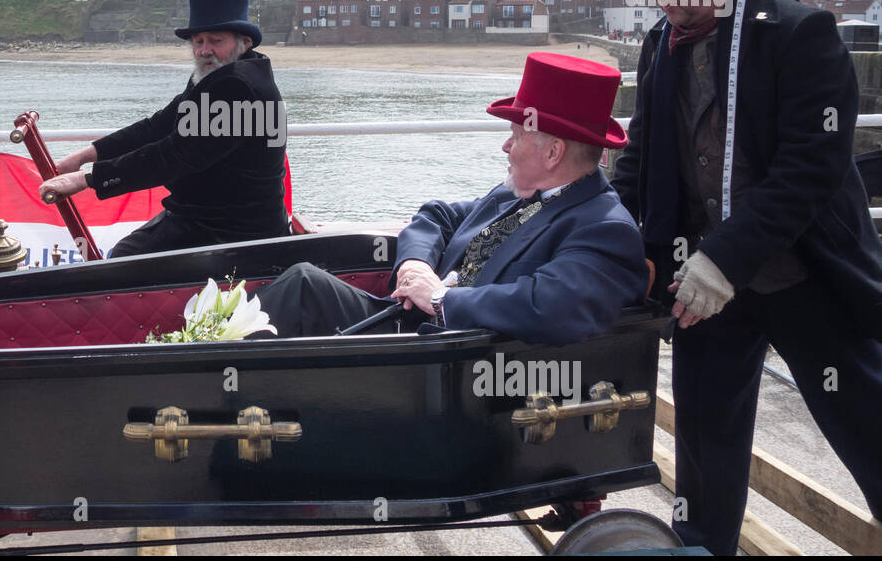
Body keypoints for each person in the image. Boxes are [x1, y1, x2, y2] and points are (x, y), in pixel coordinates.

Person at [609, 0, 882, 555]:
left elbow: (809, 170)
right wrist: (595, 235)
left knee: (868, 426)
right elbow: (639, 163)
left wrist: (725, 258)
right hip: (702, 290)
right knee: (704, 447)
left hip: (807, 278)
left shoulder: (801, 34)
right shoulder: (660, 48)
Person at [253, 52, 648, 343]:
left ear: (553, 153)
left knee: (301, 291)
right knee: (305, 284)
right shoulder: (517, 192)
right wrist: (414, 265)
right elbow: (437, 215)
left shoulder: (603, 228)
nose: (506, 146)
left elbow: (551, 305)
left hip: (446, 362)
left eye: (516, 134)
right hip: (409, 328)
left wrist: (441, 299)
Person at [39, 0, 289, 257]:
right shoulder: (222, 73)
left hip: (233, 231)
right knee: (119, 255)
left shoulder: (236, 86)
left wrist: (88, 178)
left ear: (245, 42)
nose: (205, 50)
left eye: (216, 40)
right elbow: (158, 125)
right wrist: (85, 155)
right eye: (198, 41)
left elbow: (175, 155)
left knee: (121, 261)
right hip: (204, 214)